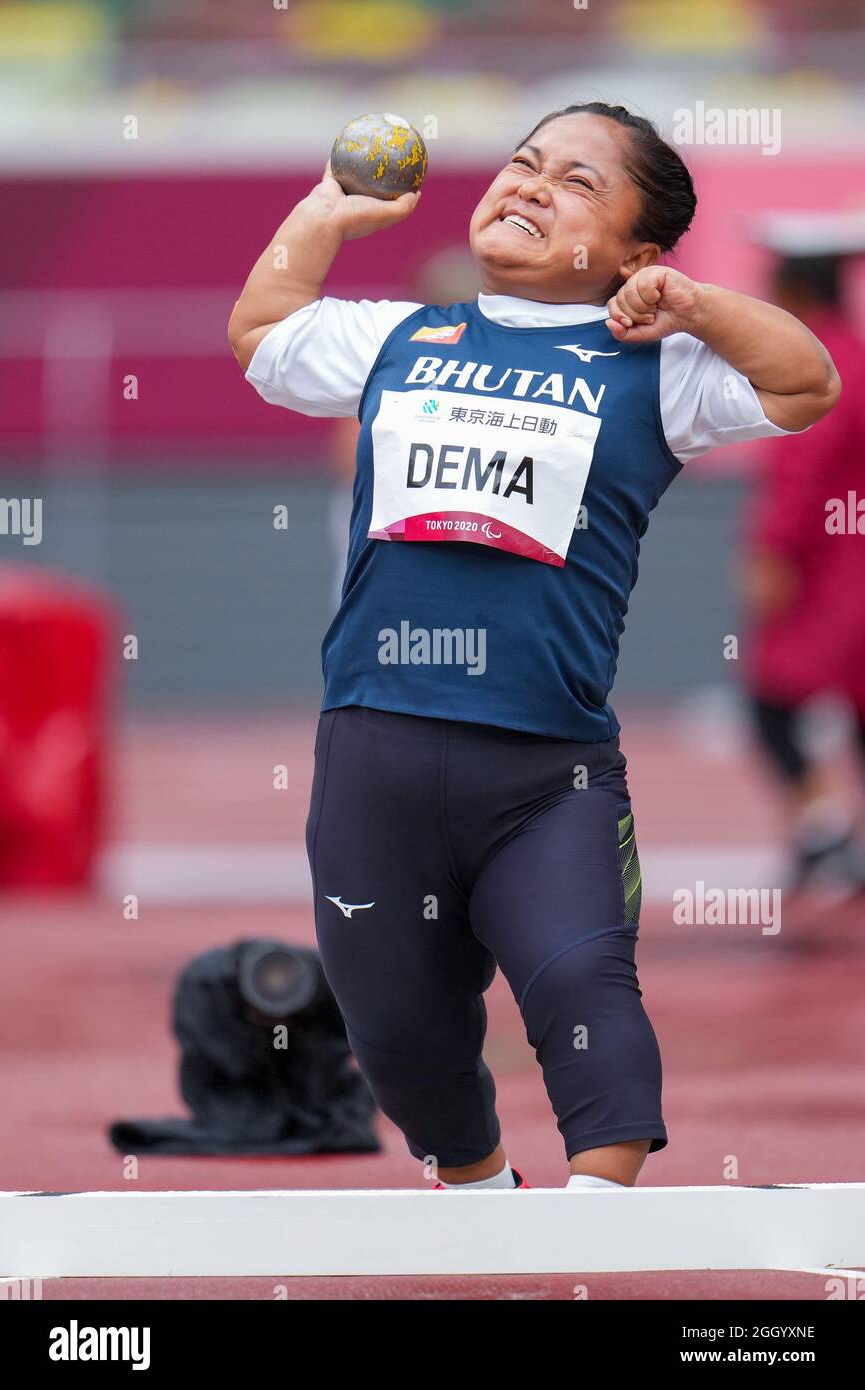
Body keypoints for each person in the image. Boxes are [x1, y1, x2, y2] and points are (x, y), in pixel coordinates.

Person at [228, 102, 840, 1191]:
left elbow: (805, 380)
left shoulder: (657, 365)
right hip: (372, 756)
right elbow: (263, 331)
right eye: (521, 163)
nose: (527, 184)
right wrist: (326, 212)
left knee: (584, 992)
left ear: (632, 253)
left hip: (543, 774)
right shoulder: (398, 336)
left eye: (573, 182)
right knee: (401, 1044)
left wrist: (694, 305)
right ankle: (483, 1197)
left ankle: (591, 1242)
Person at [742, 220, 865, 893]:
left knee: (771, 704)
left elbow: (803, 473)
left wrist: (774, 552)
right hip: (848, 566)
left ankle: (822, 827)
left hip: (829, 576)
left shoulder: (817, 363)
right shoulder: (854, 351)